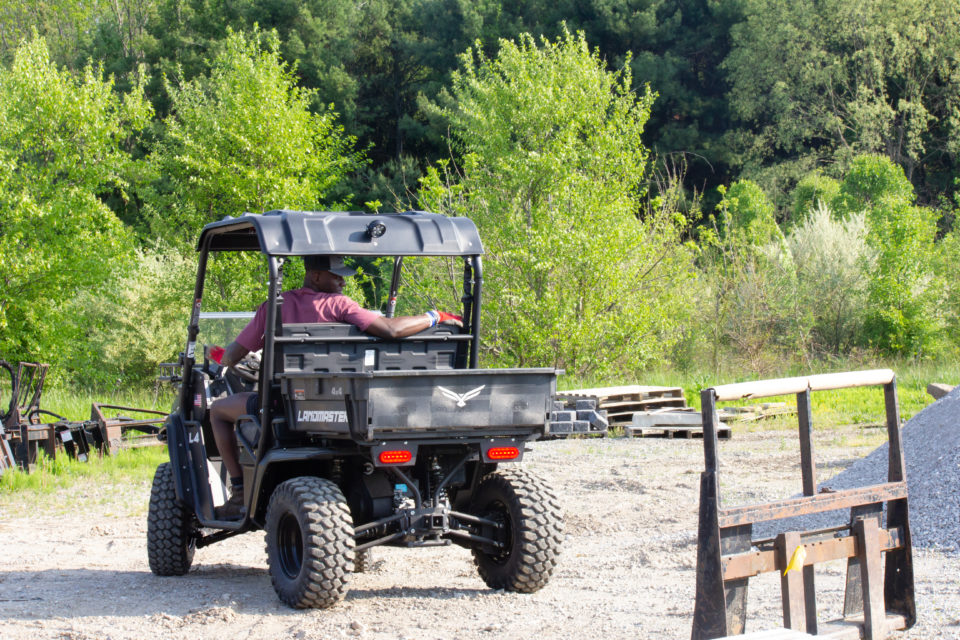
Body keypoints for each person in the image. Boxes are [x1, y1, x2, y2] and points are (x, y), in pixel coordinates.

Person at [209, 255, 461, 519]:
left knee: (217, 410)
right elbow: (391, 330)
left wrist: (216, 355)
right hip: (338, 400)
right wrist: (435, 317)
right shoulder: (340, 306)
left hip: (281, 404)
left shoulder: (274, 307)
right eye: (337, 275)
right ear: (316, 276)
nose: (343, 282)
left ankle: (239, 492)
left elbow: (230, 357)